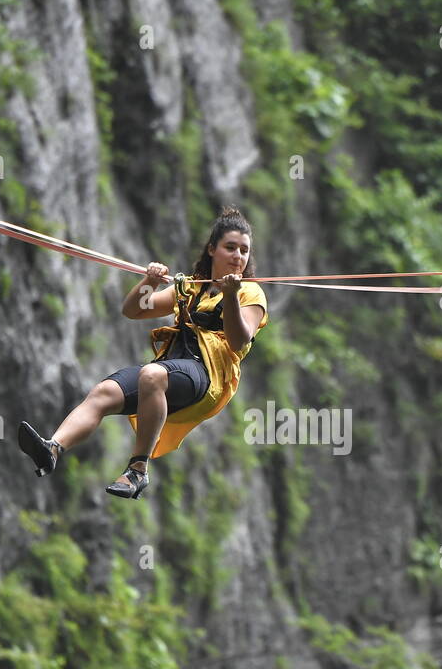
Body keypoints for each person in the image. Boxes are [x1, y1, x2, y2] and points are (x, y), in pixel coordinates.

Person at [17, 205, 269, 498]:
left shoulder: (250, 293)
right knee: (104, 392)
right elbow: (134, 309)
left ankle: (138, 469)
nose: (238, 256)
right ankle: (53, 449)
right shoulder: (189, 287)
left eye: (244, 250)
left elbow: (239, 340)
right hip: (175, 366)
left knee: (151, 375)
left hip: (208, 375)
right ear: (212, 249)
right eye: (231, 247)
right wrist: (149, 281)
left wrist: (230, 297)